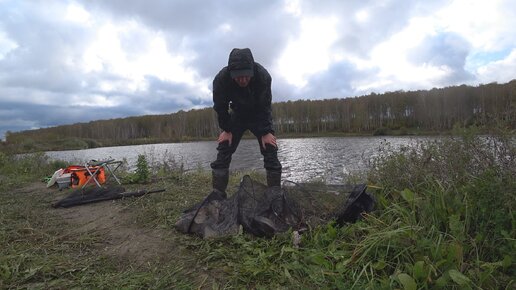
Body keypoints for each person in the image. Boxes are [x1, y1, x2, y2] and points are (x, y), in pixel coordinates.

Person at [210, 48, 282, 196]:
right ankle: (217, 195)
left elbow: (265, 105)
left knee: (270, 146)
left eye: (246, 76)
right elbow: (220, 106)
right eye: (238, 76)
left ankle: (275, 195)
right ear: (231, 73)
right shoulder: (221, 79)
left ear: (252, 71)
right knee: (224, 146)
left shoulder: (263, 76)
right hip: (237, 115)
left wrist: (265, 131)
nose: (242, 80)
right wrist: (226, 129)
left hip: (258, 115)